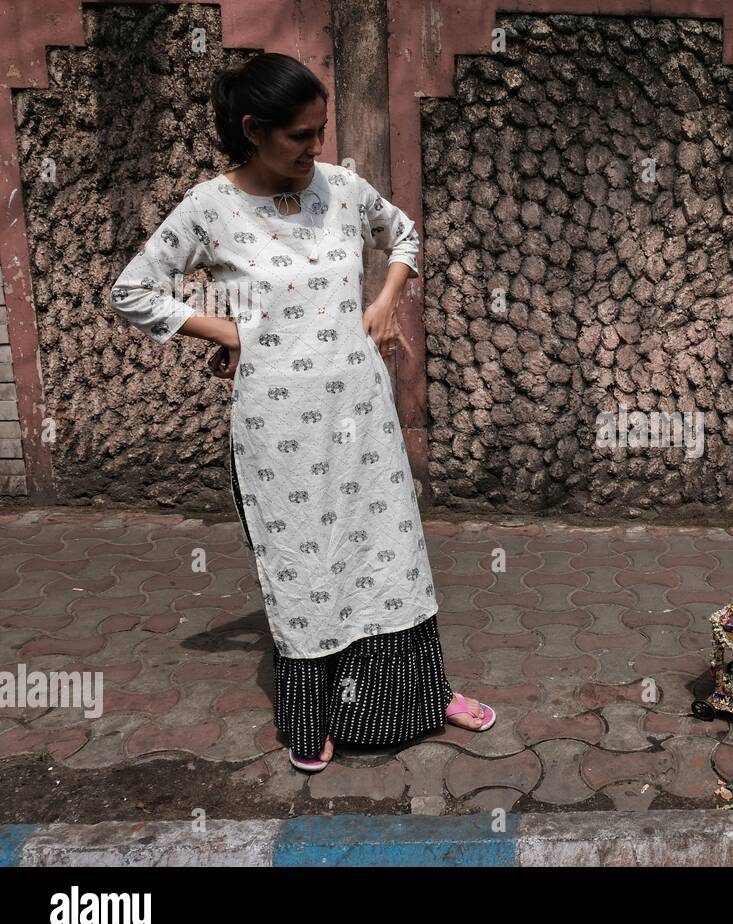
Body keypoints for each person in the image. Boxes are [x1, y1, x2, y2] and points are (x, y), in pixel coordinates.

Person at [109, 52, 494, 773]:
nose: (316, 150)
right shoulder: (208, 209)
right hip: (278, 431)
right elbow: (132, 291)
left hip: (362, 415)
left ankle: (425, 692)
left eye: (321, 133)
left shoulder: (343, 190)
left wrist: (383, 305)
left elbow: (404, 233)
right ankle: (312, 713)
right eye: (300, 137)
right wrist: (227, 332)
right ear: (253, 130)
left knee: (391, 551)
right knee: (302, 566)